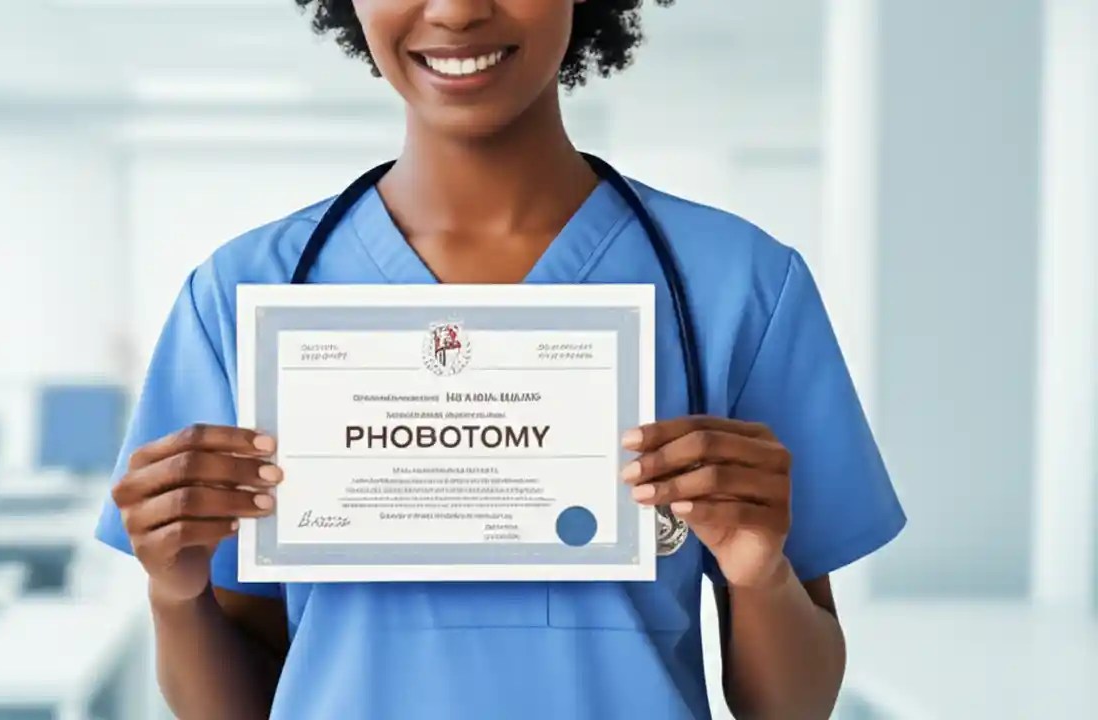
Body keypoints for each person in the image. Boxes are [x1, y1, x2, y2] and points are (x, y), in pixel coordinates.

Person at [93, 2, 907, 719]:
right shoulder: (243, 295)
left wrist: (761, 576)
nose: (455, 10)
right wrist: (176, 595)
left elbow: (792, 708)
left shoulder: (738, 287)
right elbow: (240, 704)